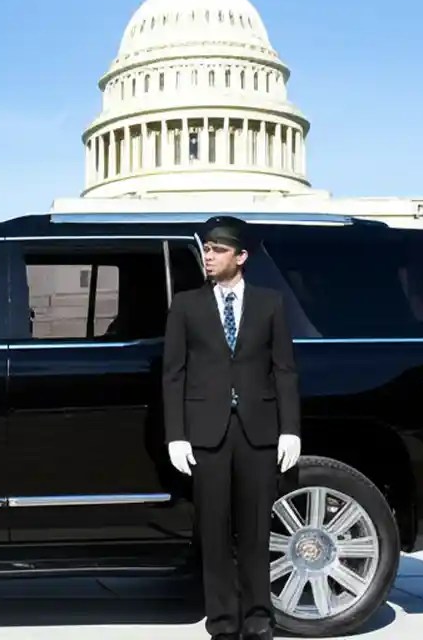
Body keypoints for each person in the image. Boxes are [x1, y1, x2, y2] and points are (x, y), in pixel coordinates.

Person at [161, 215, 301, 640]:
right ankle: (222, 621)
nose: (208, 255)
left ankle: (259, 618)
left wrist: (290, 429)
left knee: (257, 530)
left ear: (240, 257)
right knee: (215, 530)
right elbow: (174, 373)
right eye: (206, 249)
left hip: (258, 431)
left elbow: (284, 370)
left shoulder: (270, 303)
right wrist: (176, 434)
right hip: (206, 434)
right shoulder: (186, 305)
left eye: (218, 250)